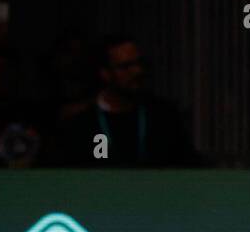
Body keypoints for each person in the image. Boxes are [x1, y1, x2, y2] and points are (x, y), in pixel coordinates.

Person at [55, 35, 189, 166]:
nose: (137, 71)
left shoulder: (163, 116)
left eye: (139, 64)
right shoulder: (83, 123)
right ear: (105, 73)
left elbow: (185, 165)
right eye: (126, 66)